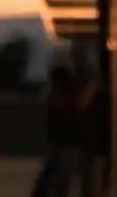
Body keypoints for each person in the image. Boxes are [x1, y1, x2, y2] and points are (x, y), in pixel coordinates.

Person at [31, 64, 80, 197]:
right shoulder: (68, 98)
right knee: (58, 178)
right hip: (64, 143)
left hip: (63, 143)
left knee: (56, 177)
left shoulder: (57, 97)